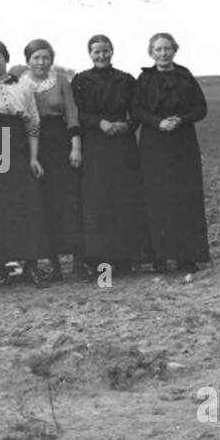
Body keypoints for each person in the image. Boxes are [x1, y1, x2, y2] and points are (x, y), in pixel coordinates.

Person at [133, 32, 210, 276]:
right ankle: (160, 257)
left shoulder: (184, 75)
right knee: (157, 199)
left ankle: (186, 257)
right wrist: (158, 123)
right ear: (151, 53)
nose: (163, 53)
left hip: (182, 143)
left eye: (167, 49)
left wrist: (181, 119)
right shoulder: (144, 79)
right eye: (158, 49)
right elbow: (136, 110)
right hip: (154, 144)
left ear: (174, 51)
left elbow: (201, 108)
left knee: (184, 198)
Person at [71, 34, 146, 276]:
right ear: (89, 54)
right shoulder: (81, 80)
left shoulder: (126, 80)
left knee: (123, 199)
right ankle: (99, 261)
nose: (101, 56)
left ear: (112, 51)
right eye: (96, 52)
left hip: (122, 146)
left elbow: (137, 111)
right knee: (98, 202)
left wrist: (128, 126)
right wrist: (99, 122)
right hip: (94, 145)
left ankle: (125, 258)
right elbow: (78, 113)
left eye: (105, 51)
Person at [0, 39, 48, 286]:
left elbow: (33, 123)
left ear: (5, 59)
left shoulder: (24, 87)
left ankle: (31, 265)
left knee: (26, 204)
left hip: (18, 144)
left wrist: (34, 157)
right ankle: (1, 266)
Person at [21, 38, 84, 279]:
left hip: (61, 143)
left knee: (69, 201)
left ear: (52, 59)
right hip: (35, 144)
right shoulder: (21, 84)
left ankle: (78, 263)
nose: (41, 62)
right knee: (44, 204)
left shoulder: (61, 81)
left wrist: (75, 147)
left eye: (45, 57)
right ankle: (55, 266)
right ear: (28, 60)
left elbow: (72, 115)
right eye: (36, 57)